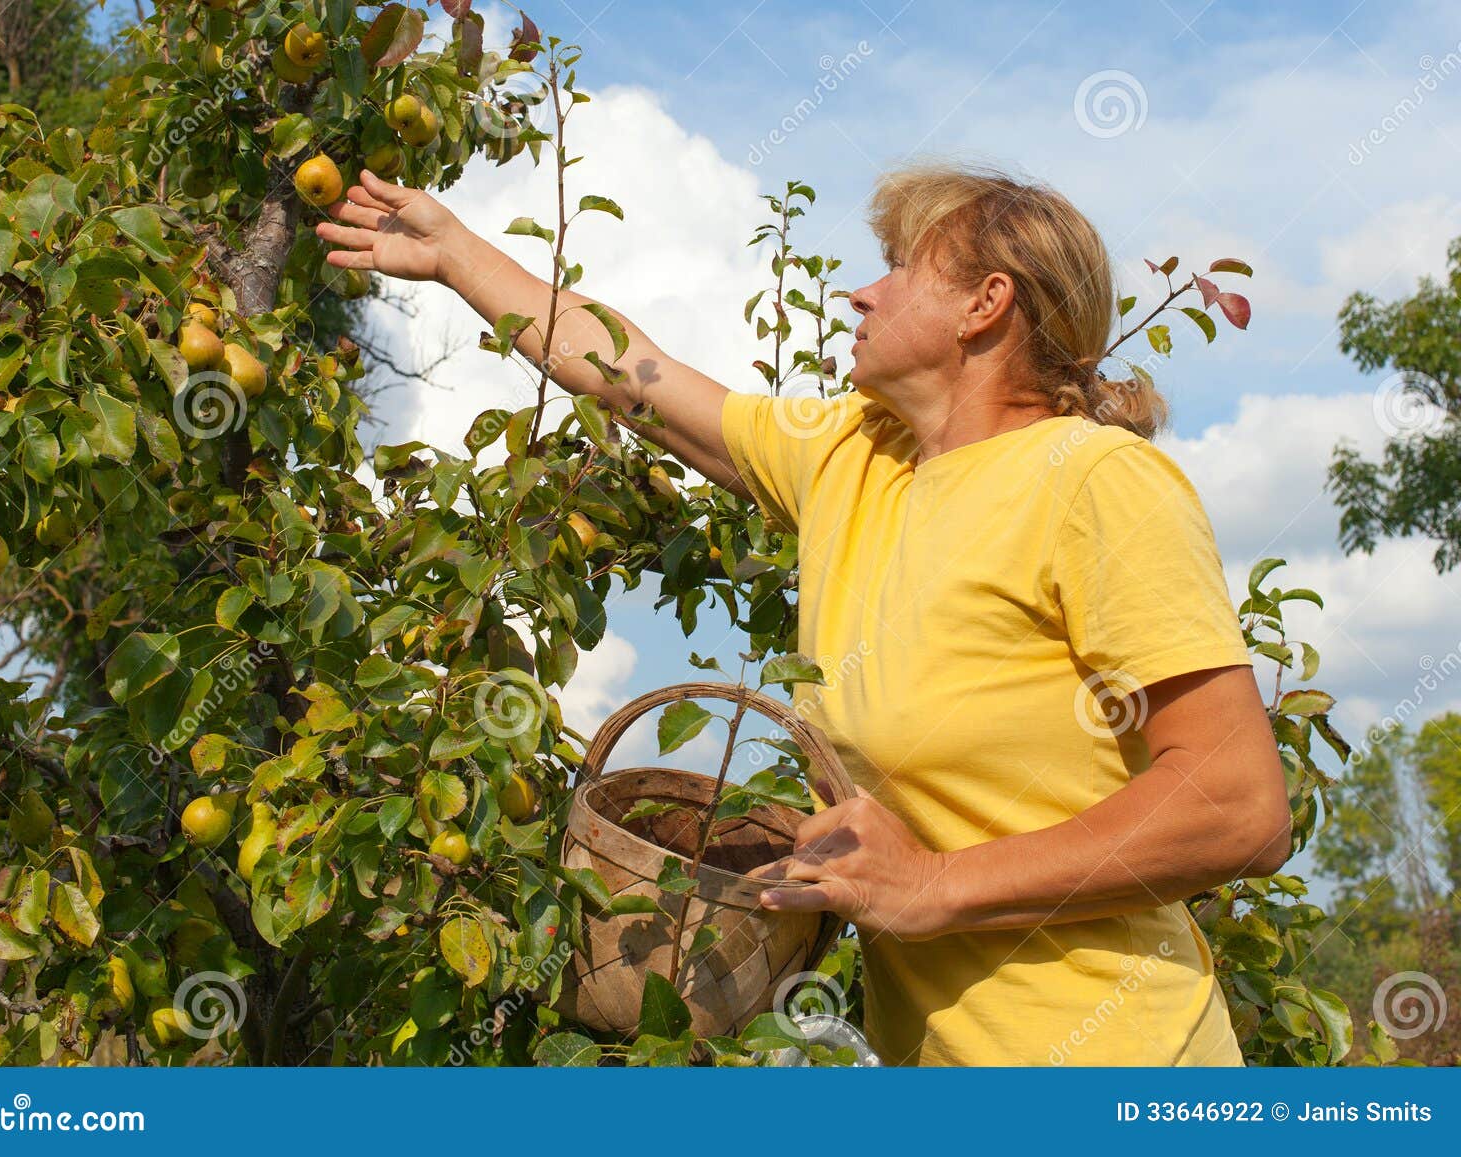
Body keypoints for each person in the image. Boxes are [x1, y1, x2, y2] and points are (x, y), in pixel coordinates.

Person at [316, 158, 1292, 1067]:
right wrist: (451, 251)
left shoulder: (1093, 480)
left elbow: (1236, 806)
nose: (860, 292)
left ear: (985, 305)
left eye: (900, 269)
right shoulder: (853, 456)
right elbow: (627, 373)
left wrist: (935, 886)